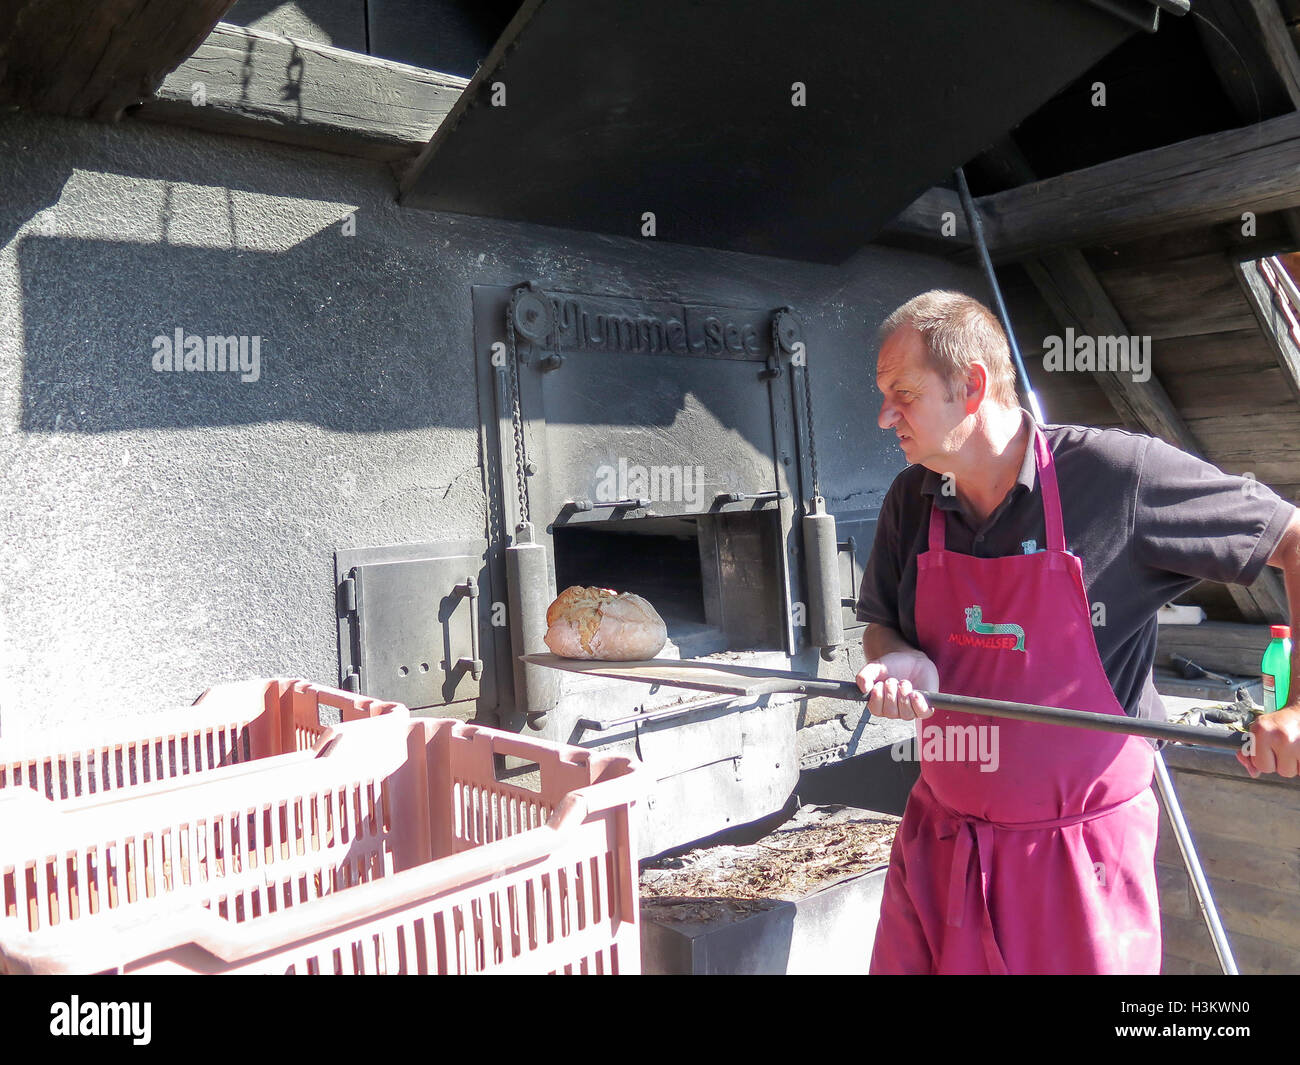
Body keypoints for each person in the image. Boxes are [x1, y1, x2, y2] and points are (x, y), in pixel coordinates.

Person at [856, 289, 1300, 975]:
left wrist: (1299, 708)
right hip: (941, 848)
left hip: (1076, 868)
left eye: (903, 394)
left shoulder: (1119, 478)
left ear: (972, 385)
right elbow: (882, 622)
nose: (886, 416)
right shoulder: (910, 500)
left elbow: (1294, 540)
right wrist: (898, 658)